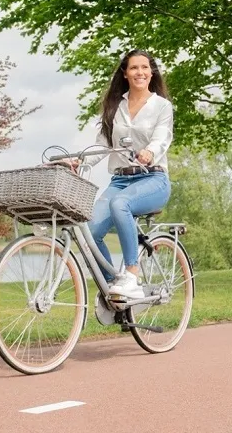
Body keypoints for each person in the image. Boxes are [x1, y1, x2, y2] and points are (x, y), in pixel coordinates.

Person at [69, 49, 173, 299]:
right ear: (125, 74)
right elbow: (102, 145)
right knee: (89, 232)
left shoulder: (162, 106)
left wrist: (149, 151)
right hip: (120, 180)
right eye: (134, 68)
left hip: (153, 179)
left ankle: (132, 275)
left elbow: (162, 137)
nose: (140, 72)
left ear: (152, 72)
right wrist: (79, 160)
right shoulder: (116, 107)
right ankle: (115, 289)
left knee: (120, 203)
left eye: (145, 67)